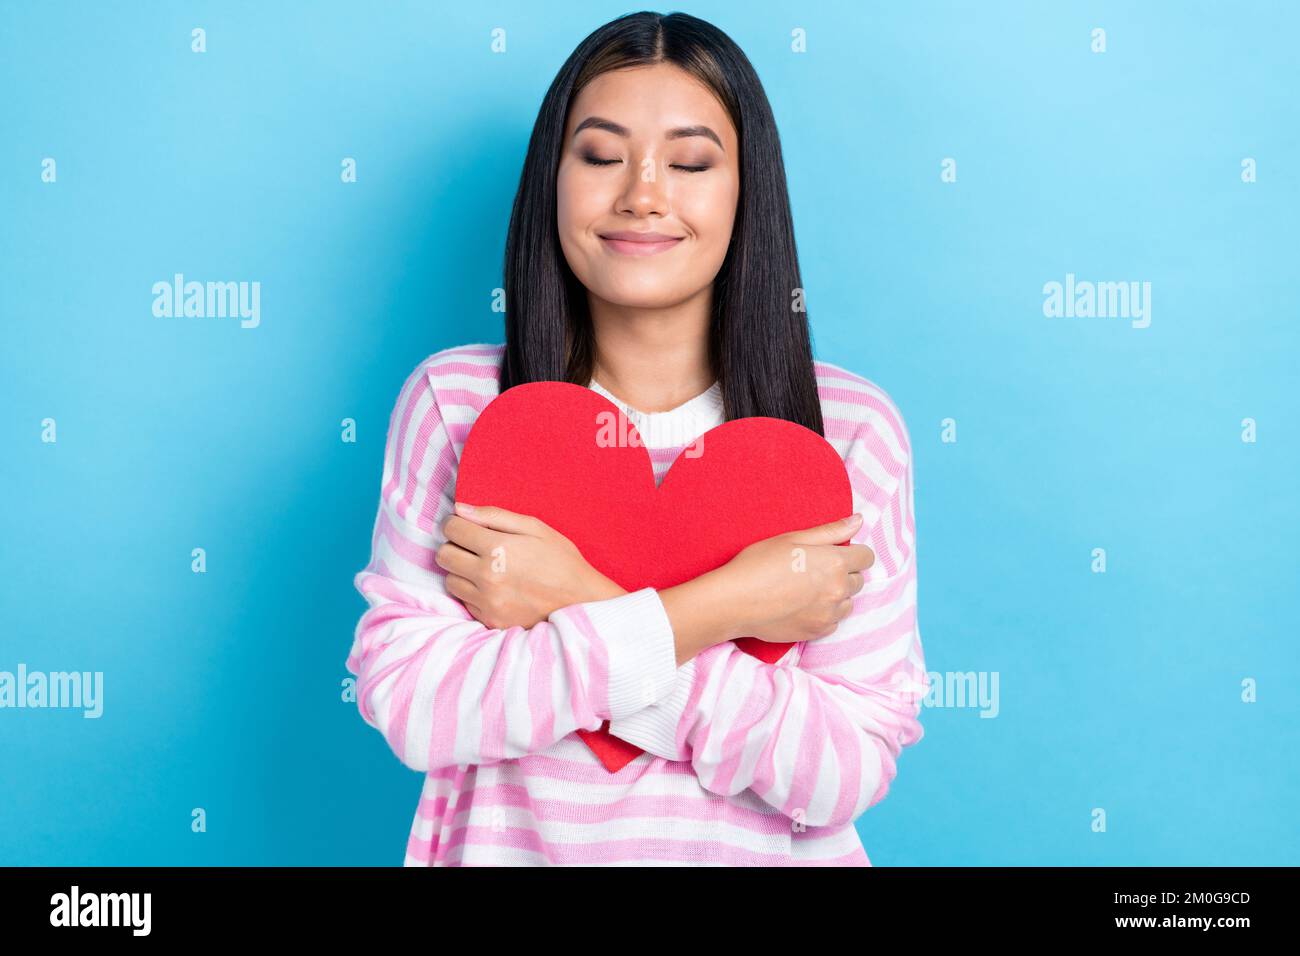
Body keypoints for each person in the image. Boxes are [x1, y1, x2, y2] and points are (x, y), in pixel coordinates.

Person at [346, 10, 927, 865]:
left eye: (690, 161)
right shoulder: (456, 405)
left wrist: (569, 595)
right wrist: (725, 606)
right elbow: (418, 707)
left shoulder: (848, 433)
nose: (642, 193)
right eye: (601, 155)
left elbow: (841, 773)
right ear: (553, 177)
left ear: (746, 192)